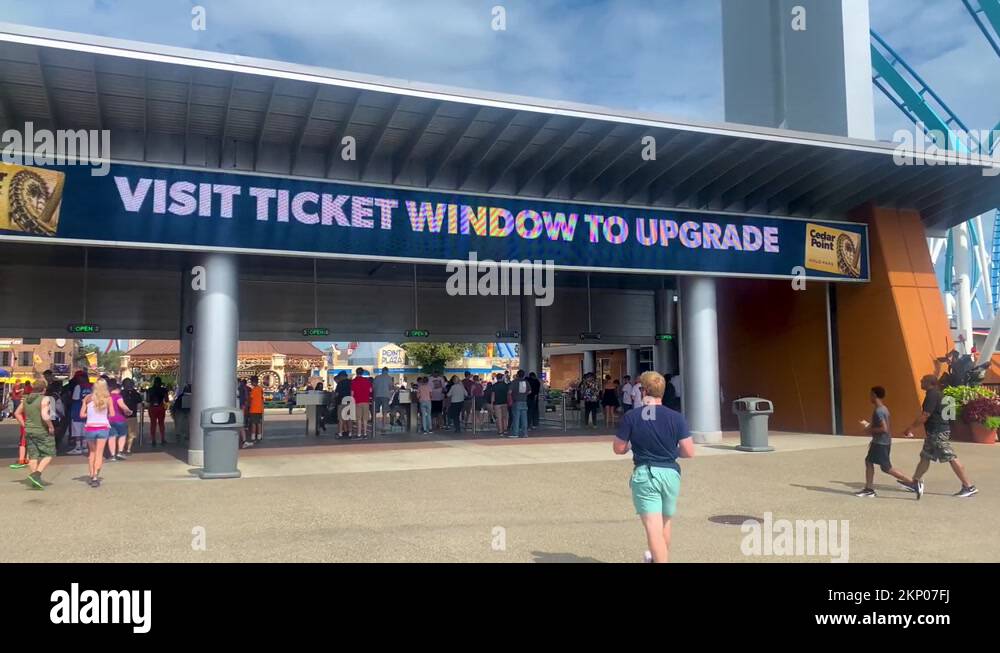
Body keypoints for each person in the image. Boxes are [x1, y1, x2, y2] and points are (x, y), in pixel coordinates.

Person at [612, 371, 695, 563]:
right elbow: (689, 452)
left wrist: (632, 444)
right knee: (665, 523)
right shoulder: (676, 417)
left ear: (643, 390)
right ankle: (656, 558)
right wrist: (672, 452)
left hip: (646, 474)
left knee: (652, 527)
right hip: (671, 474)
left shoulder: (632, 416)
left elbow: (619, 448)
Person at [898, 375, 978, 499]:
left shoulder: (932, 395)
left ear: (930, 383)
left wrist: (910, 428)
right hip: (937, 431)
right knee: (925, 457)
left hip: (937, 432)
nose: (921, 381)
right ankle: (915, 482)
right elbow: (949, 415)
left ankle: (968, 486)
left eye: (923, 380)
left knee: (951, 457)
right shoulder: (941, 394)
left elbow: (925, 415)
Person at [854, 386, 915, 497]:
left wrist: (869, 430)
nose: (869, 397)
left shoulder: (879, 411)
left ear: (874, 395)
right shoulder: (883, 409)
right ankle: (869, 488)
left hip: (880, 442)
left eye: (870, 394)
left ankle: (913, 483)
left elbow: (884, 428)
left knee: (886, 468)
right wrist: (869, 426)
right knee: (870, 462)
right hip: (882, 442)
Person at [14, 378, 55, 489]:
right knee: (49, 453)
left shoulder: (26, 399)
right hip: (41, 430)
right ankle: (37, 475)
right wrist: (51, 426)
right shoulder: (44, 399)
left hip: (29, 430)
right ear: (44, 389)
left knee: (33, 455)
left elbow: (17, 413)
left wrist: (24, 424)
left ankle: (35, 480)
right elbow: (45, 415)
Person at [81, 378, 113, 487]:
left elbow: (81, 415)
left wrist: (90, 415)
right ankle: (95, 477)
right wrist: (104, 415)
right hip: (103, 427)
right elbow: (112, 414)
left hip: (90, 427)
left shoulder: (87, 398)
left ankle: (91, 475)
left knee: (92, 453)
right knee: (100, 453)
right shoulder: (108, 398)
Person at [106, 380, 133, 461]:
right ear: (118, 389)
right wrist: (128, 410)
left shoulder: (107, 397)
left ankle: (112, 455)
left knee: (111, 437)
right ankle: (120, 452)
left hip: (110, 419)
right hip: (119, 419)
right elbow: (122, 405)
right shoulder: (118, 396)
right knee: (122, 435)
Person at [68, 371, 92, 455]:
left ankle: (78, 447)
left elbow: (75, 398)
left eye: (78, 377)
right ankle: (85, 446)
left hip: (77, 410)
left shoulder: (78, 386)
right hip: (89, 411)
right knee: (85, 429)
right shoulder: (91, 386)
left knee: (77, 430)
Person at [121, 378, 142, 454]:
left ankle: (122, 448)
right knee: (131, 433)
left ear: (123, 385)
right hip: (132, 415)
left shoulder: (121, 393)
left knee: (122, 433)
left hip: (122, 416)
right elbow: (139, 405)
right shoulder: (136, 394)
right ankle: (128, 449)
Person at [351, 367, 373, 438]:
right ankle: (365, 433)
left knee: (358, 418)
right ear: (362, 373)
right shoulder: (367, 381)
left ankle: (359, 433)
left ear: (356, 372)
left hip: (357, 401)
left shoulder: (353, 381)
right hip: (366, 401)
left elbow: (352, 393)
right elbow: (370, 390)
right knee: (365, 418)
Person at [146, 377, 168, 447]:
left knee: (153, 423)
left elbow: (148, 399)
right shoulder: (164, 390)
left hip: (152, 407)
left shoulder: (150, 390)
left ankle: (153, 440)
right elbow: (166, 400)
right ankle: (162, 439)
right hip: (161, 407)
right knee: (161, 423)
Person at [509, 370, 530, 438]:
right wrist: (525, 394)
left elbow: (509, 391)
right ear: (524, 375)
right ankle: (525, 433)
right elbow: (530, 391)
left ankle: (515, 433)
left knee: (516, 418)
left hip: (516, 401)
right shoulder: (526, 382)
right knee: (524, 418)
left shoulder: (514, 382)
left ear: (517, 375)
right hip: (524, 401)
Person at [373, 367, 393, 433]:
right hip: (385, 396)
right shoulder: (389, 378)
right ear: (387, 371)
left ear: (382, 371)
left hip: (377, 395)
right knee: (384, 412)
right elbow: (390, 387)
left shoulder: (377, 377)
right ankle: (383, 427)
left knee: (375, 411)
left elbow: (374, 387)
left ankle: (374, 425)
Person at [246, 376, 265, 445]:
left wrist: (248, 404)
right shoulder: (260, 389)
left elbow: (251, 399)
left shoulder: (253, 390)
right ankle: (259, 436)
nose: (251, 383)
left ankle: (253, 436)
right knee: (259, 423)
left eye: (251, 382)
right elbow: (262, 398)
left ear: (253, 382)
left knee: (253, 423)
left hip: (253, 409)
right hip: (259, 409)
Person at [335, 372, 352, 439]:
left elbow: (337, 393)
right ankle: (350, 432)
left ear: (342, 376)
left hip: (341, 401)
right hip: (350, 401)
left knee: (341, 418)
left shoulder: (340, 383)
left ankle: (340, 433)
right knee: (349, 418)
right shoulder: (351, 382)